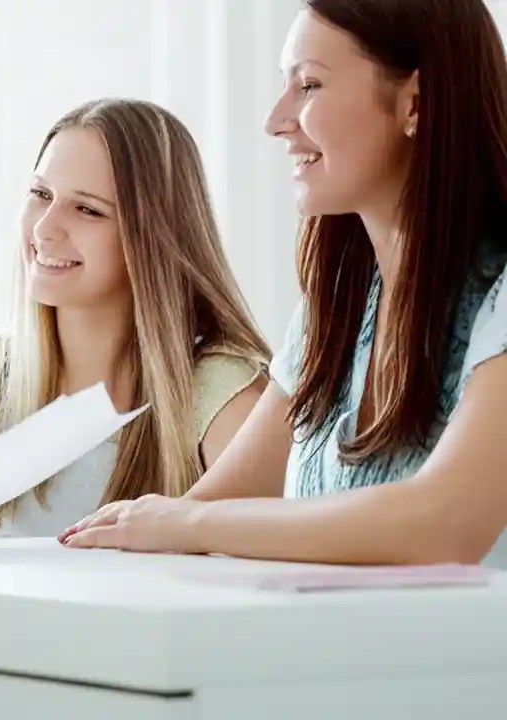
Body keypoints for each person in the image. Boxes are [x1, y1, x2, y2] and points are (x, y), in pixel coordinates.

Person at [62, 0, 507, 568]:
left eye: (310, 85)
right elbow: (198, 516)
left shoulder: (498, 299)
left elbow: (445, 524)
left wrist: (190, 521)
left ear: (414, 103)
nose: (276, 120)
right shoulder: (336, 308)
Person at [0, 99, 270, 537]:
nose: (46, 228)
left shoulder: (221, 392)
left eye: (87, 209)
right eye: (40, 195)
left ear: (154, 237)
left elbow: (267, 568)